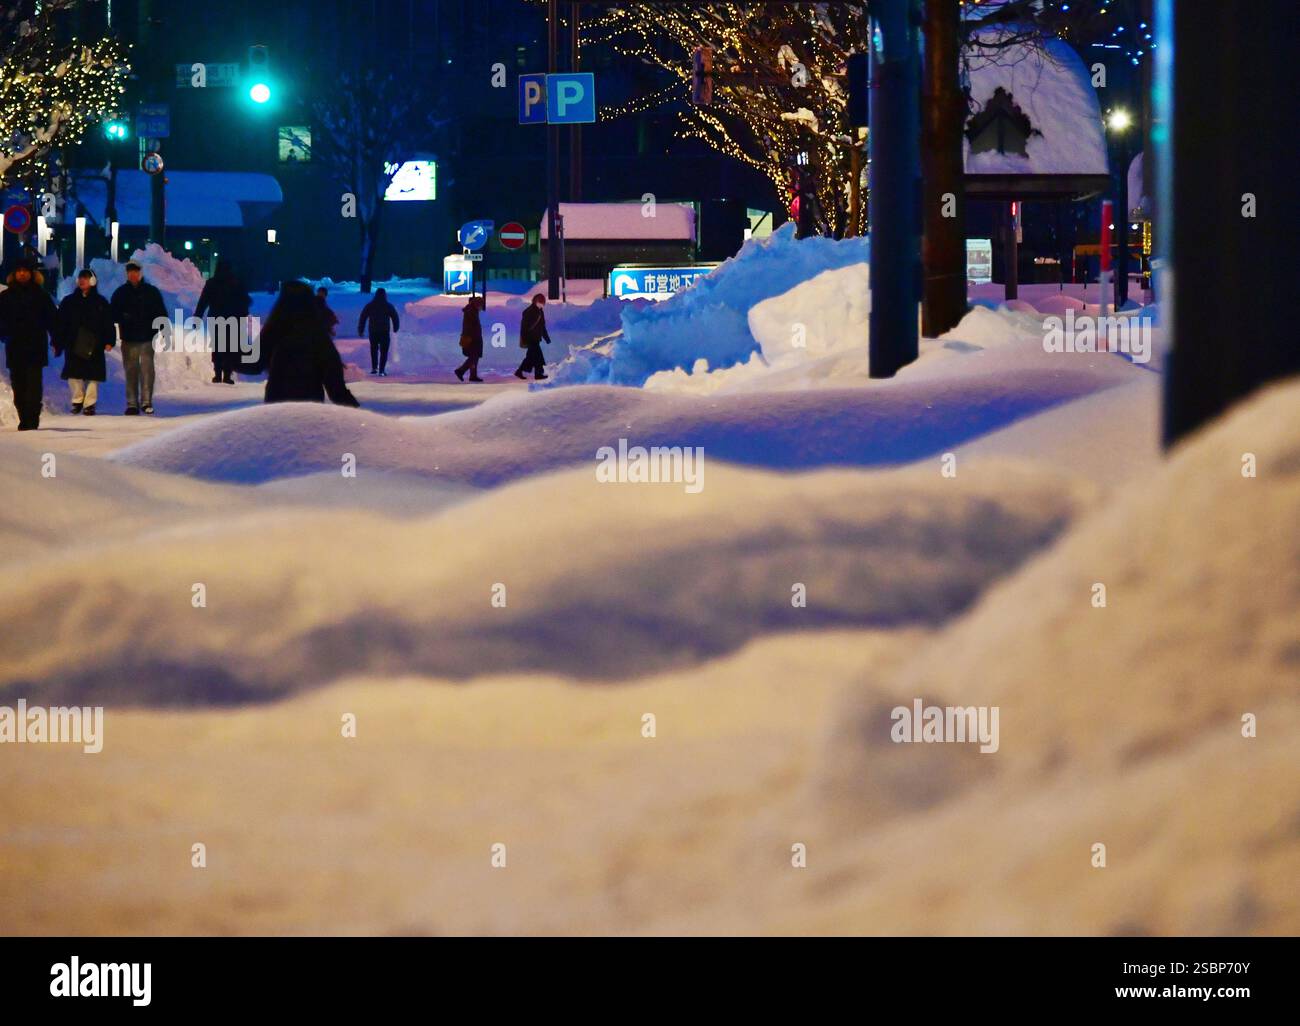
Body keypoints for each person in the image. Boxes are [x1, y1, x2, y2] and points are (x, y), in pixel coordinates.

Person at [250, 280, 359, 407]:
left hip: (276, 406)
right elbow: (336, 388)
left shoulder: (273, 333)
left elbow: (253, 365)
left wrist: (227, 351)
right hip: (309, 406)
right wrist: (360, 415)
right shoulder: (318, 337)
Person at [0, 256, 57, 430]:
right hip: (15, 346)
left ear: (31, 274)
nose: (22, 274)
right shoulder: (6, 297)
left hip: (35, 346)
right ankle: (24, 416)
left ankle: (32, 418)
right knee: (18, 385)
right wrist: (4, 334)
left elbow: (52, 320)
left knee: (33, 386)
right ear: (14, 274)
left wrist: (56, 339)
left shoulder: (41, 295)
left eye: (25, 271)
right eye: (19, 271)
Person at [53, 269, 116, 416]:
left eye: (86, 278)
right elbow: (60, 323)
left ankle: (90, 404)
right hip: (73, 343)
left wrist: (109, 341)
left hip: (95, 343)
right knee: (74, 375)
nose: (82, 281)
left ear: (93, 281)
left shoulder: (101, 302)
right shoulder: (68, 302)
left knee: (93, 376)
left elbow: (108, 323)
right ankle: (77, 400)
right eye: (81, 278)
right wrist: (58, 341)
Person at [110, 261, 167, 415]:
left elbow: (160, 311)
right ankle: (132, 403)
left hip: (147, 337)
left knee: (147, 371)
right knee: (131, 371)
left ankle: (146, 401)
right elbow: (112, 313)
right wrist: (122, 317)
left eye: (135, 271)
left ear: (140, 273)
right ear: (127, 274)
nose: (133, 274)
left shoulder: (151, 292)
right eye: (130, 272)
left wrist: (163, 329)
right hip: (128, 338)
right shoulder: (120, 293)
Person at [194, 258, 252, 384]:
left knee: (218, 346)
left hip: (216, 318)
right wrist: (243, 315)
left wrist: (197, 317)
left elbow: (203, 301)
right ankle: (227, 374)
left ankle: (217, 374)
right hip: (233, 319)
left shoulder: (211, 283)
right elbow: (245, 301)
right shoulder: (236, 283)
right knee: (230, 348)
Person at [357, 286, 399, 376]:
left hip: (373, 331)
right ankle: (382, 370)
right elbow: (395, 317)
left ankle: (374, 367)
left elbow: (363, 317)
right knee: (384, 351)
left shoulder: (370, 305)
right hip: (384, 331)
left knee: (374, 349)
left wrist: (361, 329)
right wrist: (396, 327)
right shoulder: (388, 306)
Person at [514, 293, 551, 381]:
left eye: (542, 302)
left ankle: (520, 371)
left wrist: (546, 338)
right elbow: (524, 327)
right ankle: (538, 374)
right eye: (540, 301)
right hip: (530, 339)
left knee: (531, 357)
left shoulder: (540, 311)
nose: (541, 303)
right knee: (538, 356)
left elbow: (542, 326)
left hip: (536, 338)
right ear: (535, 301)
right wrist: (525, 338)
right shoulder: (529, 311)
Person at [455, 296, 485, 382]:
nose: (481, 307)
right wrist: (472, 337)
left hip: (473, 337)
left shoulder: (472, 311)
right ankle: (461, 371)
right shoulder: (471, 312)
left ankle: (473, 375)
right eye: (480, 305)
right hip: (472, 338)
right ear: (477, 304)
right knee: (474, 357)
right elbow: (471, 327)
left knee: (474, 357)